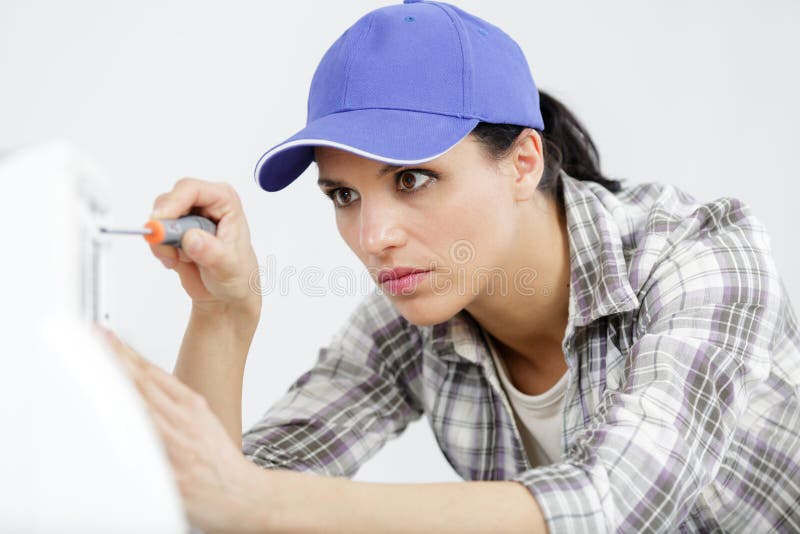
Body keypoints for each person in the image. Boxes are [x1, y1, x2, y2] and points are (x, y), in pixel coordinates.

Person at [103, 0, 800, 532]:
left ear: (524, 162)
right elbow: (223, 506)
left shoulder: (700, 254)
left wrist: (249, 496)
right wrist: (224, 315)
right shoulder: (410, 319)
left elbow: (611, 502)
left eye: (412, 179)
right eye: (344, 195)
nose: (374, 236)